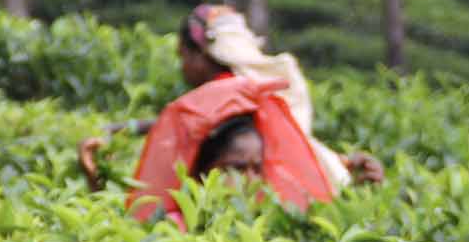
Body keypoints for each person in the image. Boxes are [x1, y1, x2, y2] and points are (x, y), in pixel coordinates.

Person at [79, 4, 383, 192]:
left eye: (183, 55)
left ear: (201, 53)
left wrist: (115, 134)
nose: (183, 66)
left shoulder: (227, 95)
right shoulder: (251, 93)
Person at [123, 75, 336, 227]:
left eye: (257, 168)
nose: (251, 179)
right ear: (204, 172)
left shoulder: (268, 225)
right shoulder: (174, 228)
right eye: (237, 168)